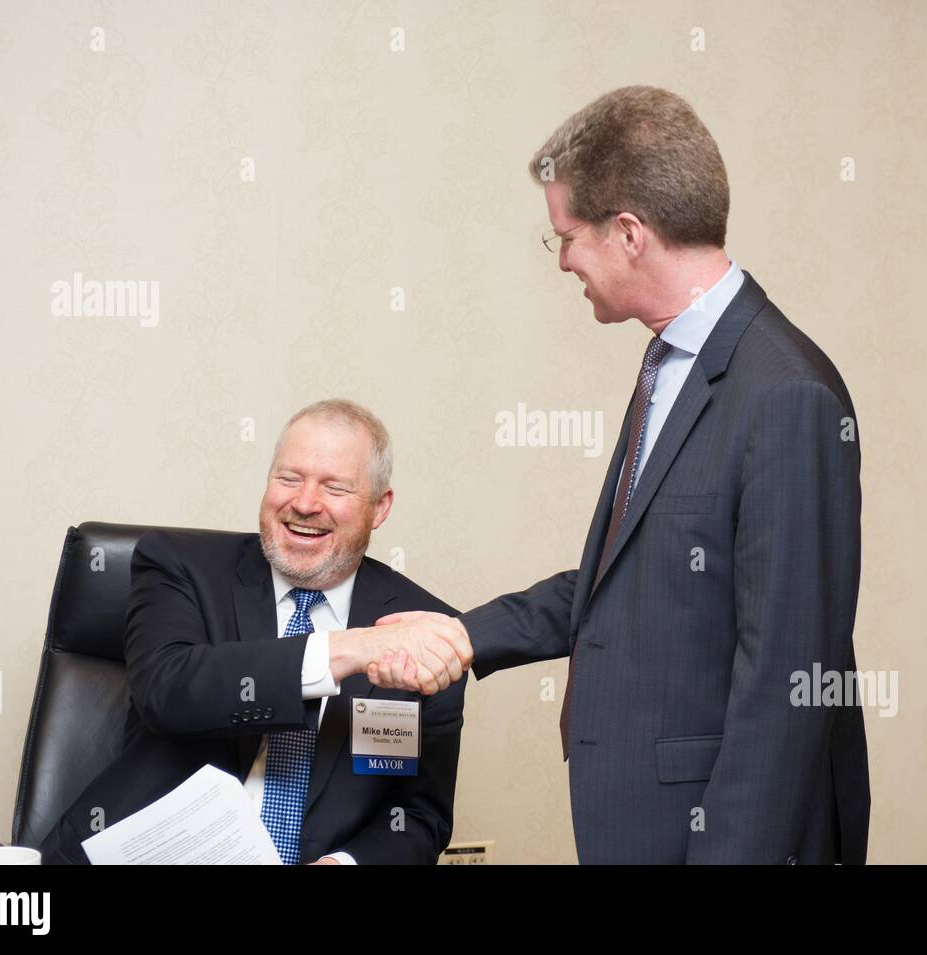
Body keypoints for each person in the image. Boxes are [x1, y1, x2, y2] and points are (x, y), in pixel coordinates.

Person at [371, 86, 869, 864]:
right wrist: (467, 634)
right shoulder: (670, 361)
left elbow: (789, 682)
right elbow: (627, 581)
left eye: (564, 235)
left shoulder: (787, 393)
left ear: (629, 233)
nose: (563, 256)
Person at [39, 399, 472, 864]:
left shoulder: (424, 628)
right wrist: (348, 649)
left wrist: (346, 864)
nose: (304, 503)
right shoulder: (179, 565)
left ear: (379, 507)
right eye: (288, 478)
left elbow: (418, 816)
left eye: (335, 487)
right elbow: (168, 690)